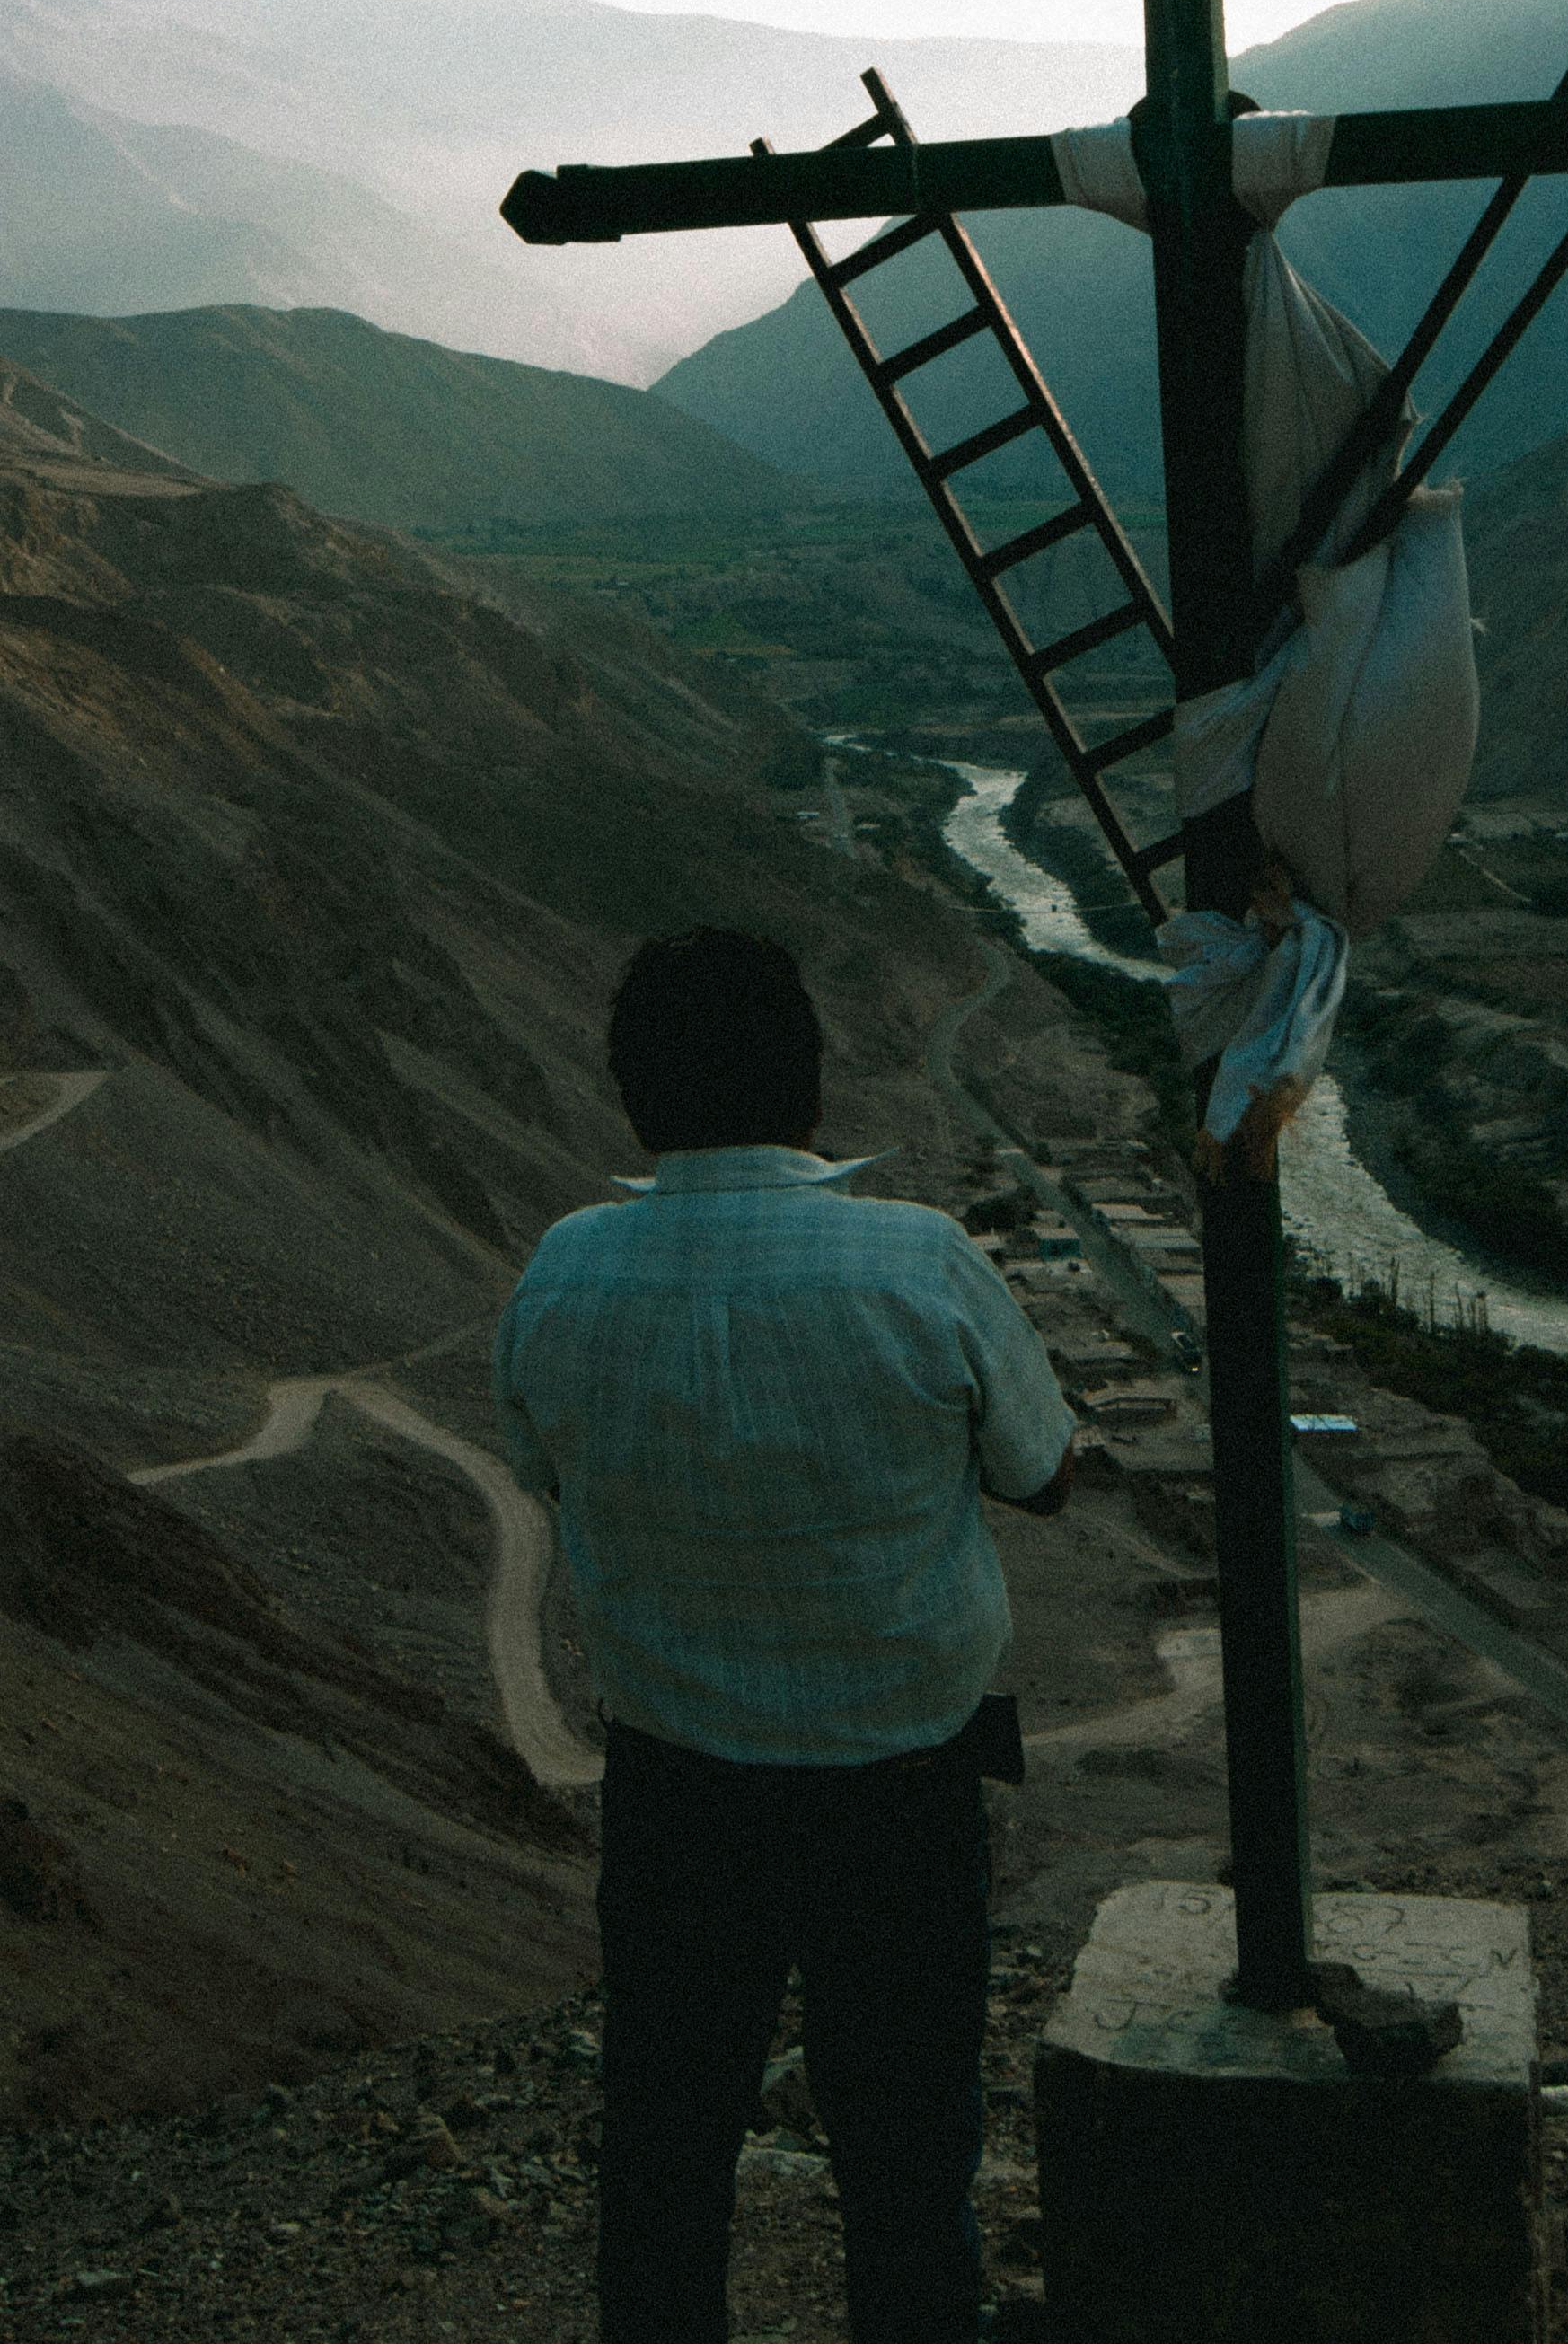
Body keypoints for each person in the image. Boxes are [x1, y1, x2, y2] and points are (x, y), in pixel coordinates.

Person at [493, 924, 1074, 2344]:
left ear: (637, 1099)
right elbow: (1042, 1470)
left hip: (678, 1793)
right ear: (810, 1085)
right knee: (905, 2160)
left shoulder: (564, 1274)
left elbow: (543, 1468)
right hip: (901, 1793)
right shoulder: (921, 1261)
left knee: (668, 2155)